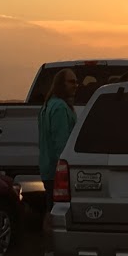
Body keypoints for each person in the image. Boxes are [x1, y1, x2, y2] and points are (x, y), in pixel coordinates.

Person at [38, 69, 78, 233]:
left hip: (47, 167)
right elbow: (61, 144)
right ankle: (51, 246)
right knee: (55, 211)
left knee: (50, 207)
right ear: (61, 84)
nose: (76, 86)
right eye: (71, 82)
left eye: (76, 82)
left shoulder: (47, 105)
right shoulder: (60, 108)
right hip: (57, 170)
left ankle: (48, 246)